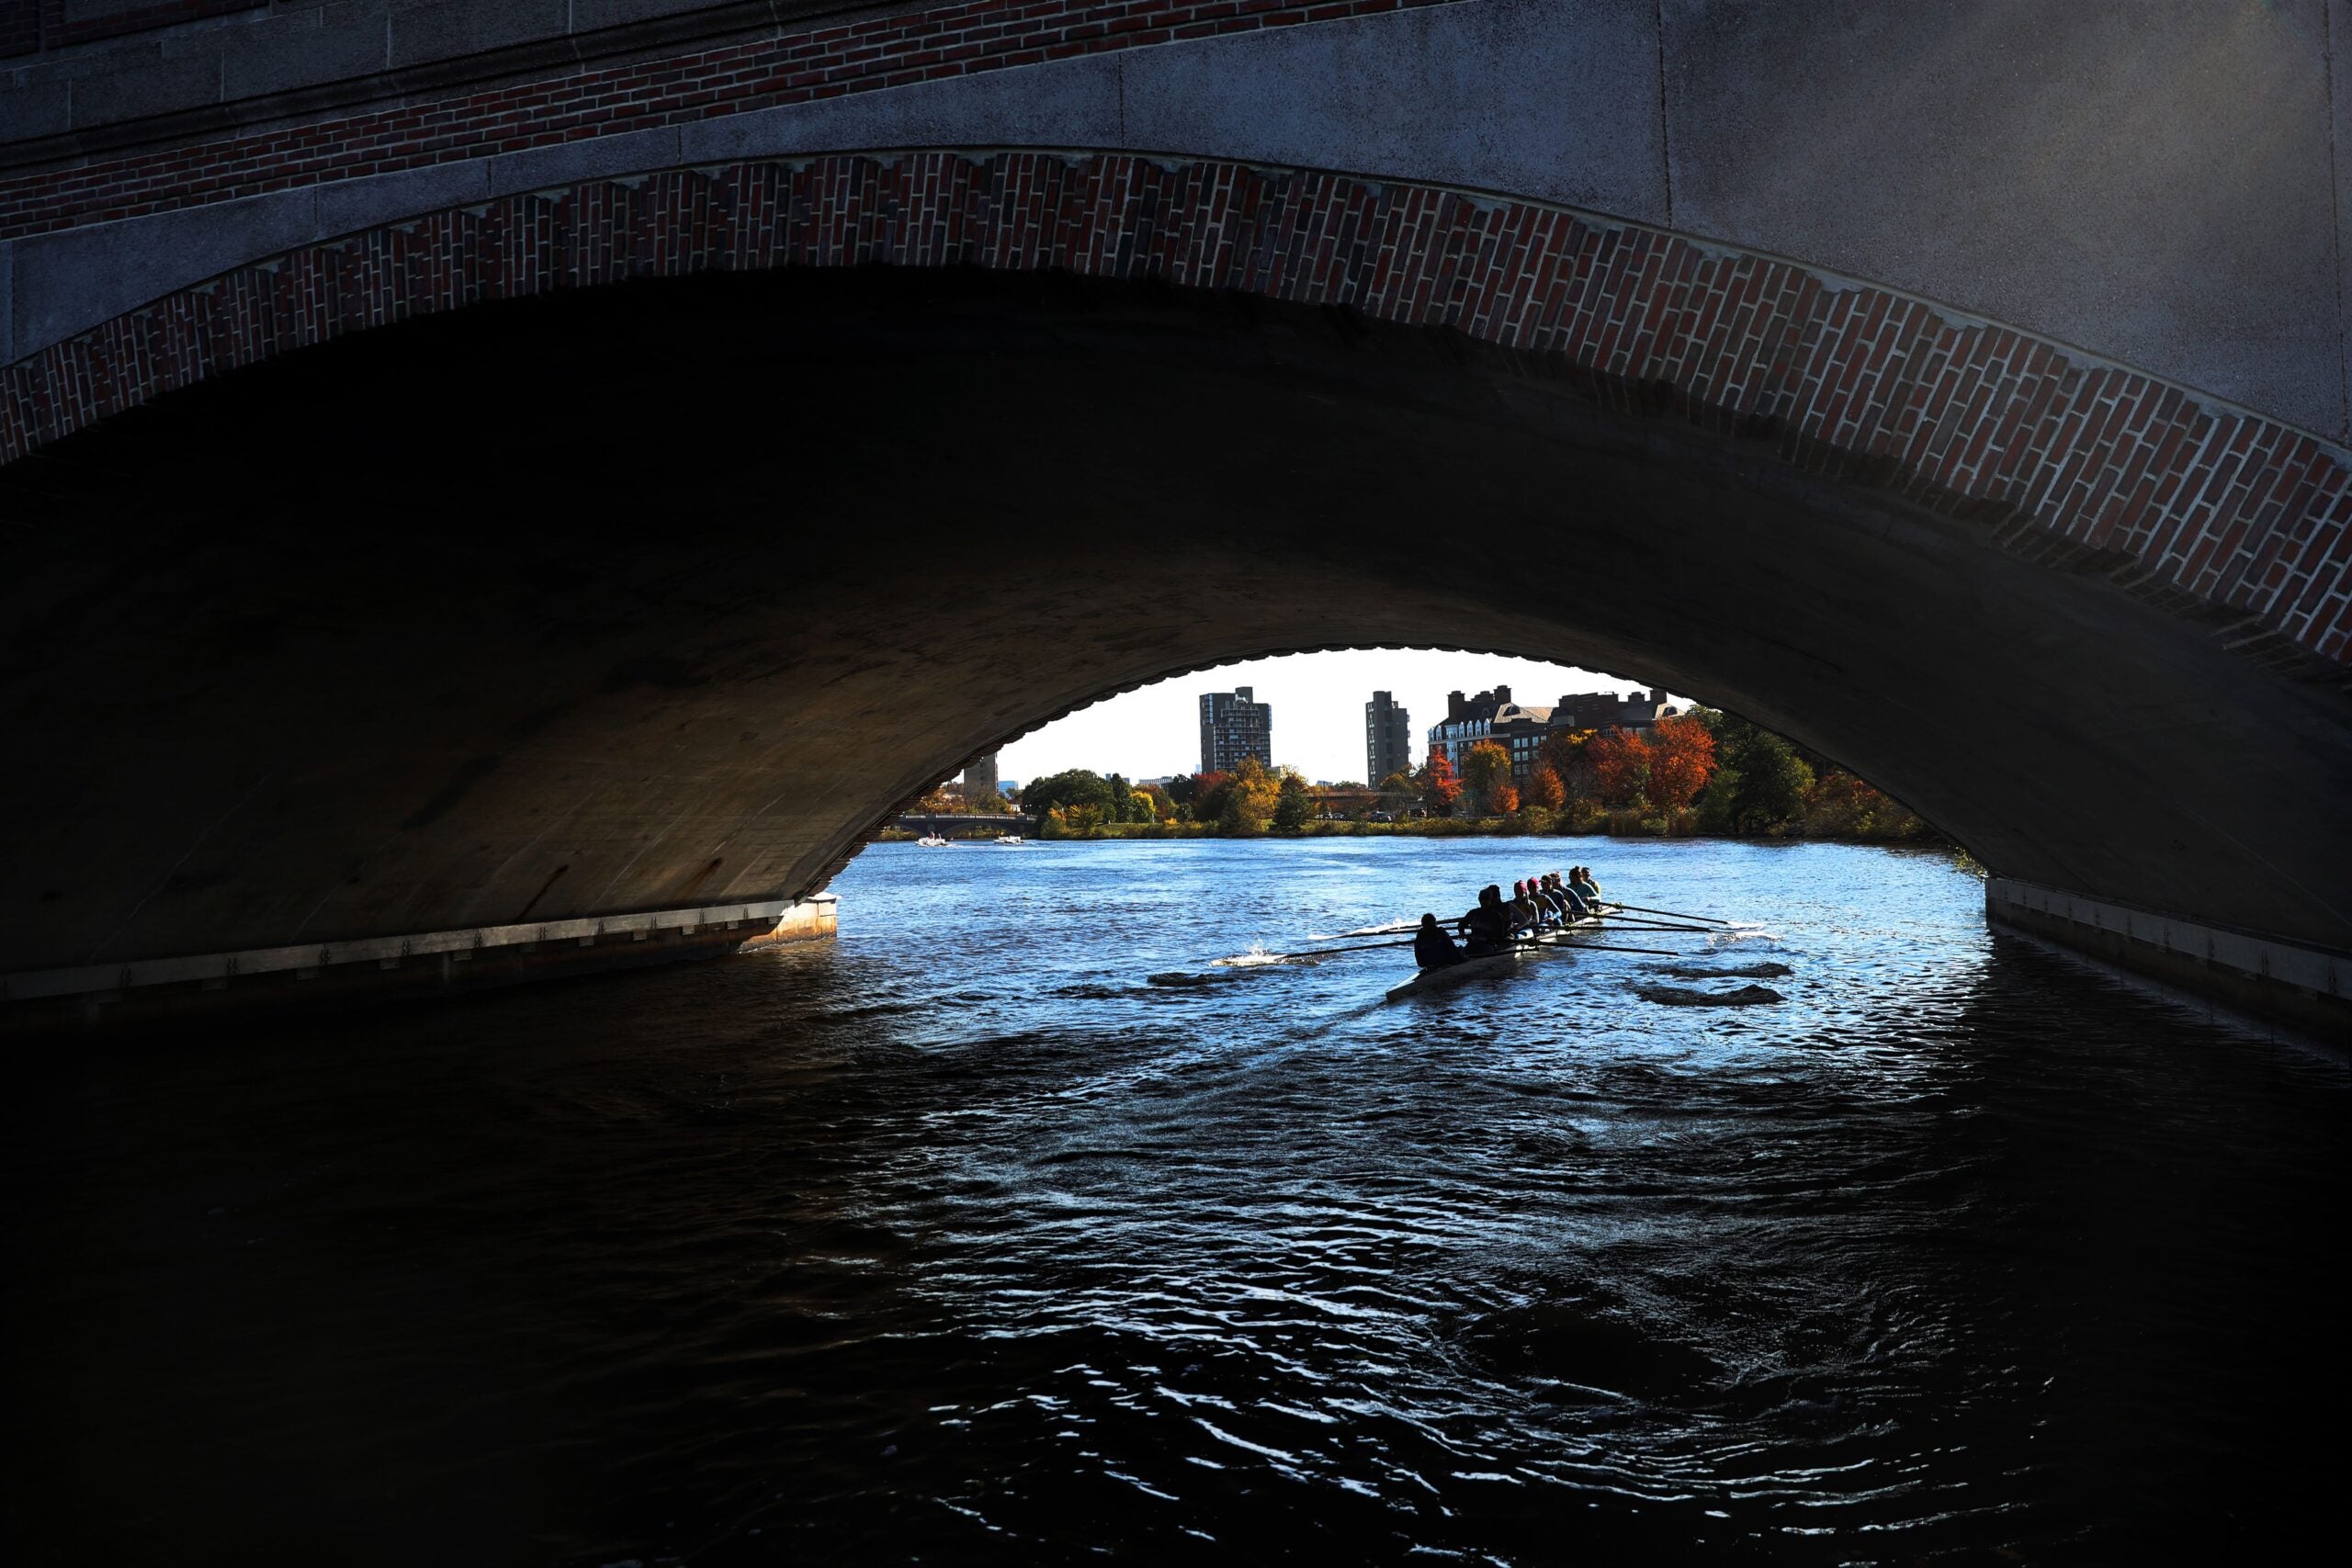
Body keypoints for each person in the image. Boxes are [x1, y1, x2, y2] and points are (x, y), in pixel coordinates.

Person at [1455, 885, 1512, 956]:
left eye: (1486, 899)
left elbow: (1500, 936)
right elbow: (1461, 924)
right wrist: (1461, 933)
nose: (1484, 901)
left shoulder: (1495, 916)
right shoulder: (1474, 913)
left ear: (1490, 900)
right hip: (1474, 944)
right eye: (1483, 899)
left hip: (1487, 945)